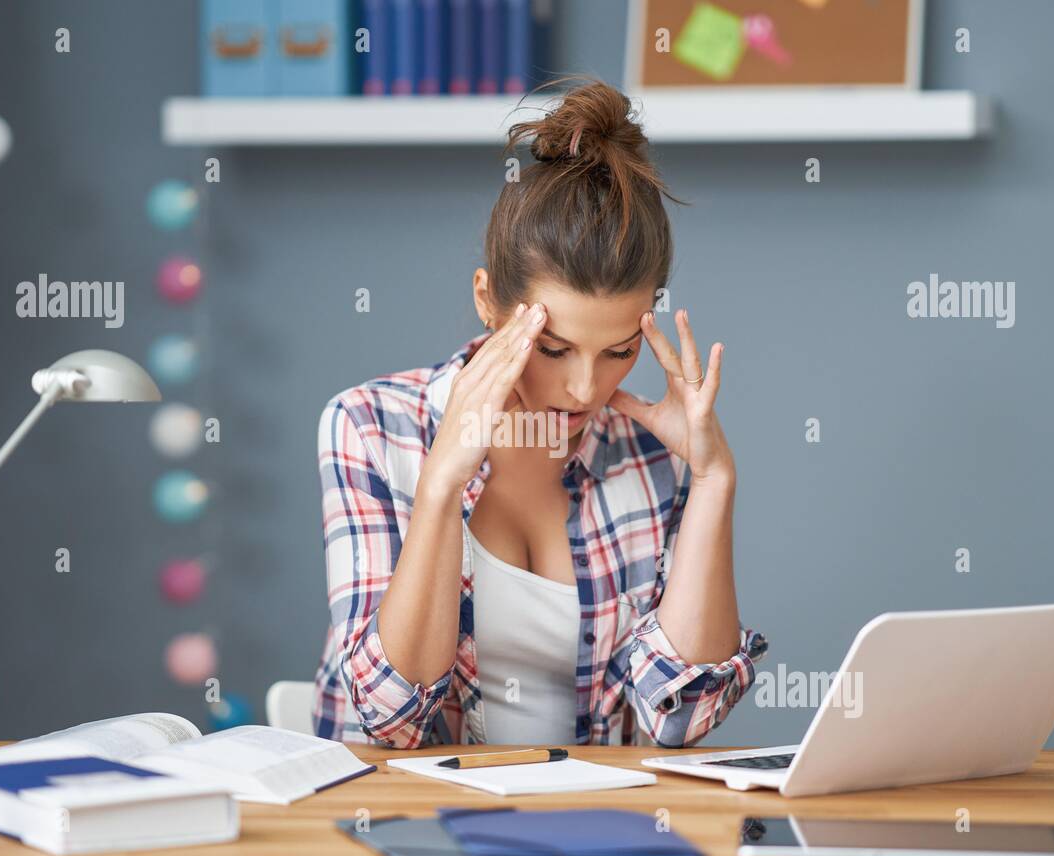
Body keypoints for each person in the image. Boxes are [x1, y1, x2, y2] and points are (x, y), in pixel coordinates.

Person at [314, 76, 768, 749]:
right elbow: (392, 720)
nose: (583, 389)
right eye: (553, 349)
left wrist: (712, 480)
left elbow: (682, 717)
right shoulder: (369, 427)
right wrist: (441, 482)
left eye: (618, 351)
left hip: (590, 811)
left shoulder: (651, 458)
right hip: (408, 809)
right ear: (487, 301)